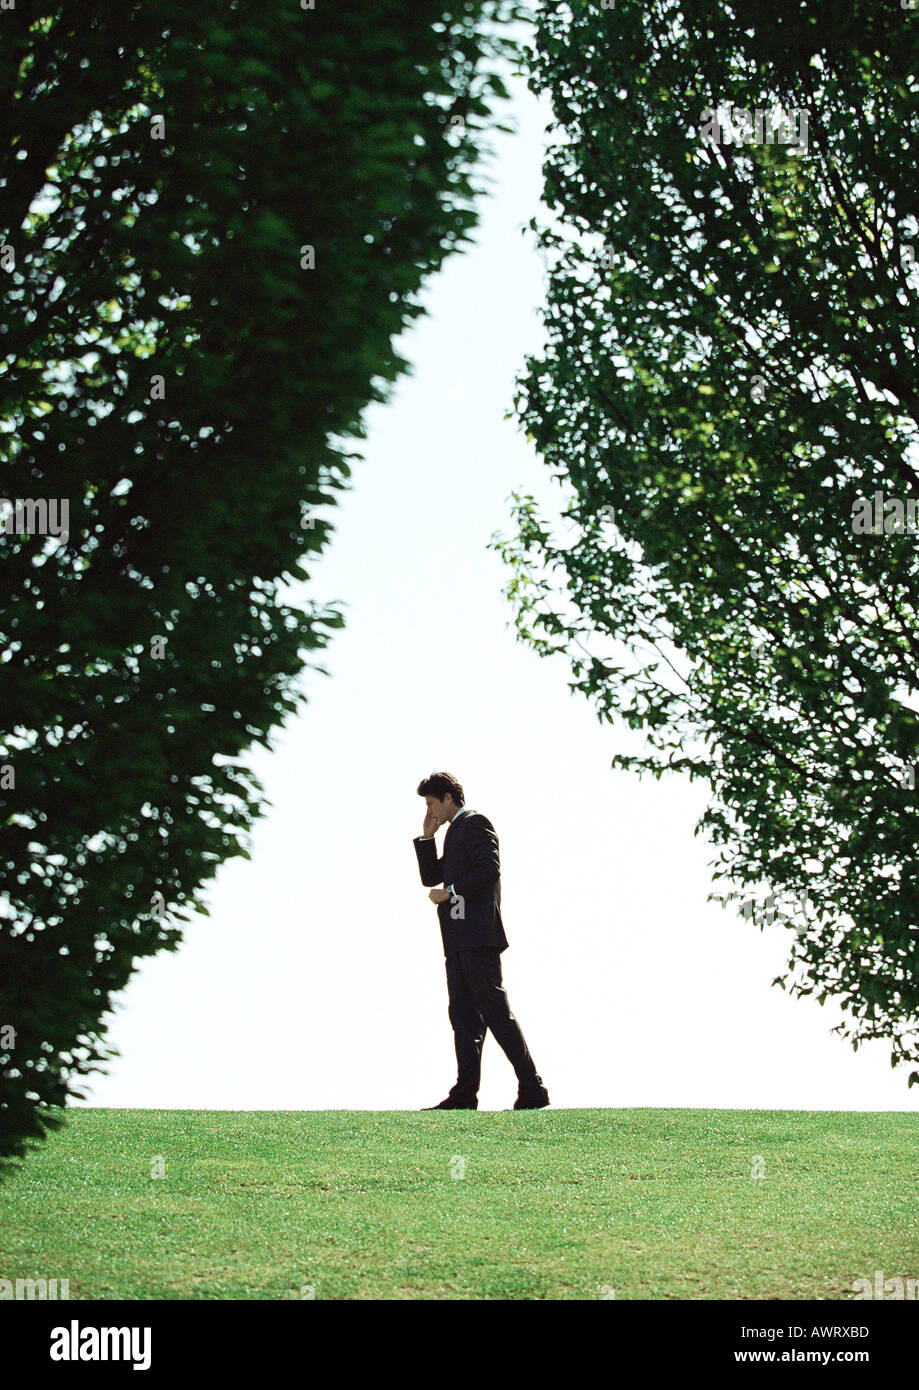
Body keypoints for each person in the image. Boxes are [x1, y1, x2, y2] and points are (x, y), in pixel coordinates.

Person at [413, 771, 549, 1111]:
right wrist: (427, 838)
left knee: (495, 1012)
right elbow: (432, 876)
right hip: (458, 940)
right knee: (462, 1015)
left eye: (431, 803)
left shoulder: (475, 824)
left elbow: (489, 869)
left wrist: (452, 891)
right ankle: (464, 1094)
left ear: (448, 798)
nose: (430, 811)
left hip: (478, 936)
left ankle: (532, 1088)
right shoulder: (452, 833)